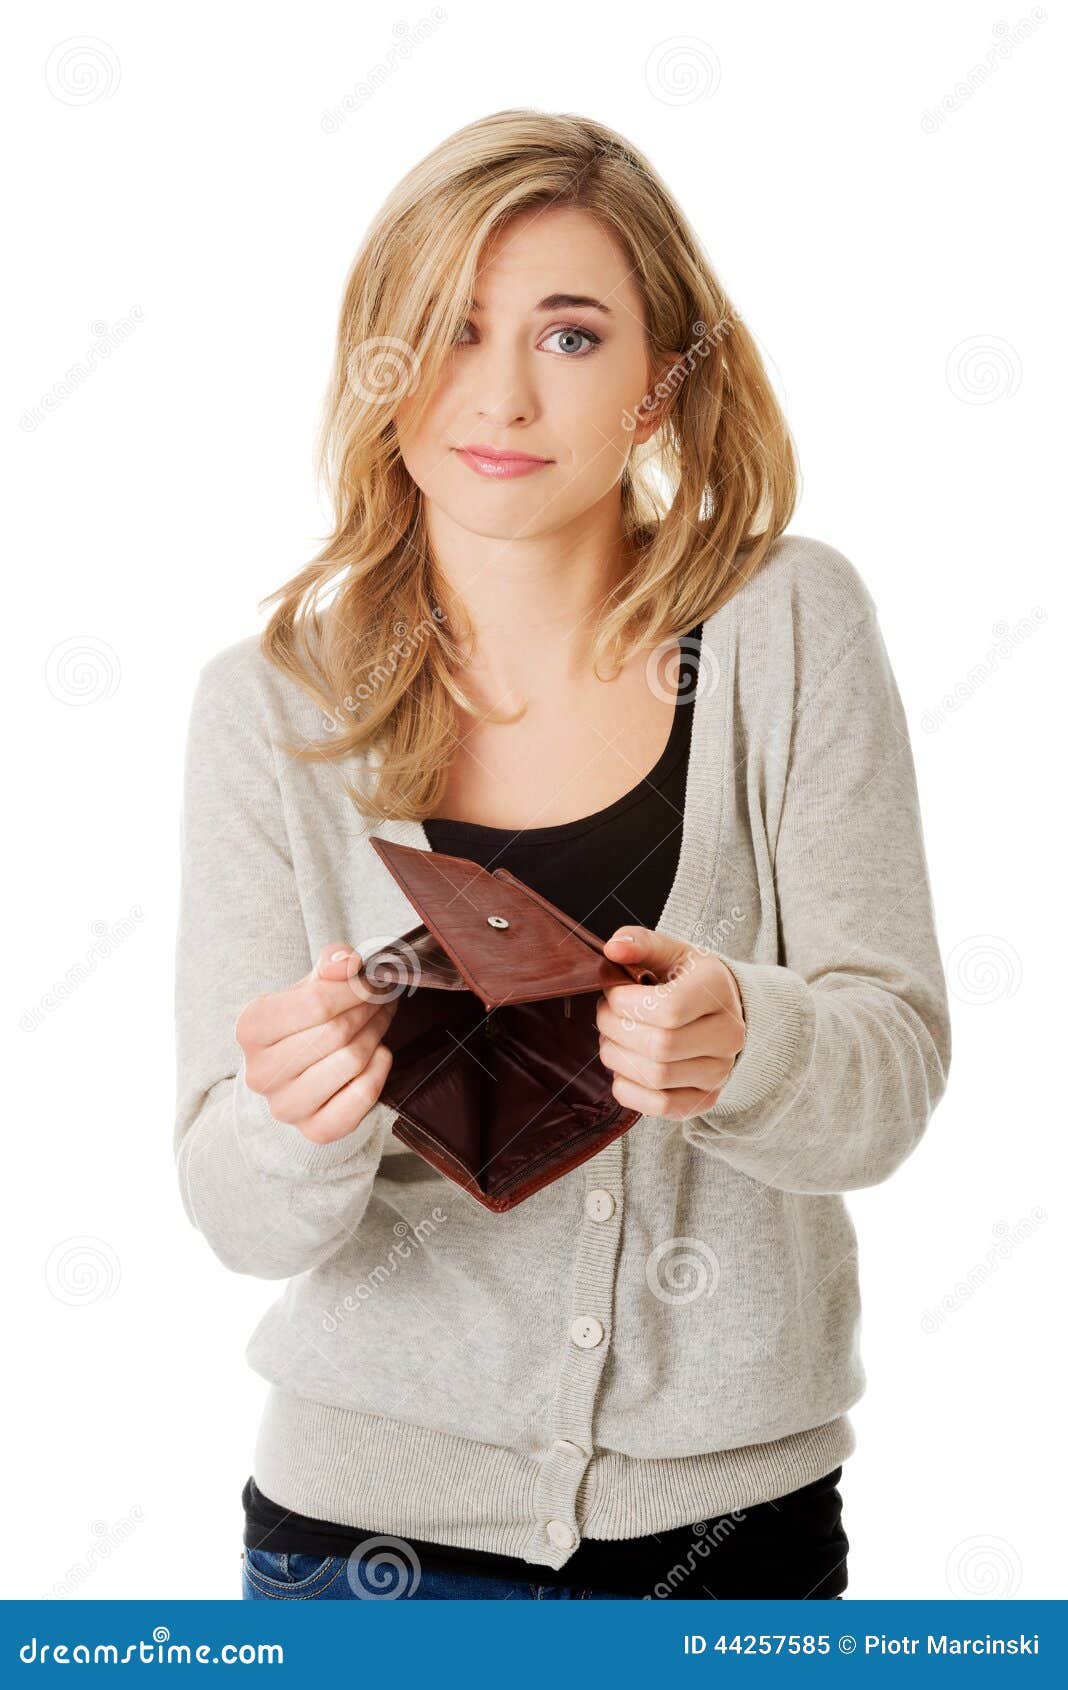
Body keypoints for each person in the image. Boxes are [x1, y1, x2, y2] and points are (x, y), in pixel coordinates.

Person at [173, 109, 951, 1602]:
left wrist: (752, 1043)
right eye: (451, 330)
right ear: (380, 360)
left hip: (733, 1538)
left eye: (572, 336)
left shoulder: (791, 626)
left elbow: (892, 1073)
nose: (504, 396)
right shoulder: (267, 703)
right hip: (359, 1546)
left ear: (663, 379)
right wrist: (300, 1116)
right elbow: (232, 1205)